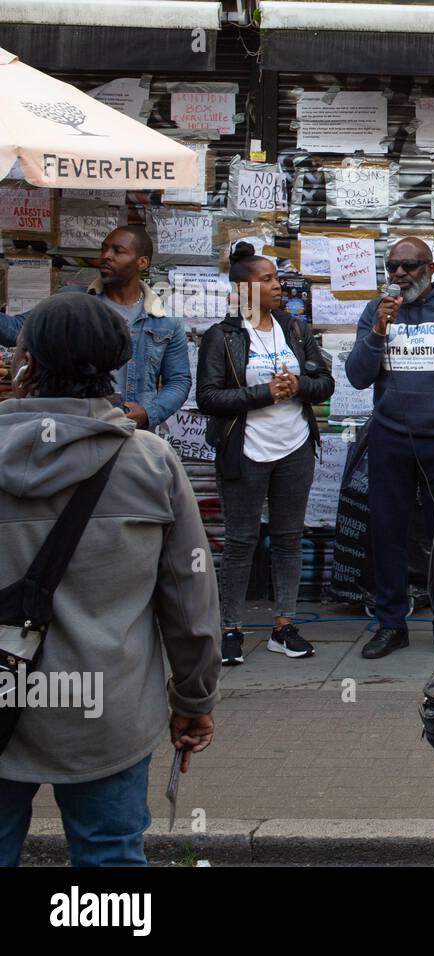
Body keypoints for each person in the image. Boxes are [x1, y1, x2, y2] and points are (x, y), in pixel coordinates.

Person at [0, 293, 220, 866]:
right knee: (109, 864)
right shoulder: (150, 463)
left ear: (26, 360)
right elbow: (189, 597)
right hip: (107, 712)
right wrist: (194, 699)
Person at [345, 237, 434, 659]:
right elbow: (357, 376)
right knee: (387, 531)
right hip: (390, 437)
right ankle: (392, 625)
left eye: (408, 266)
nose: (399, 275)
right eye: (392, 267)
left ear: (430, 267)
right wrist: (378, 331)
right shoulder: (376, 311)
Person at [196, 243, 335, 666]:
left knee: (289, 538)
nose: (278, 285)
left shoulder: (294, 329)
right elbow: (208, 397)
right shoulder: (222, 336)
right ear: (243, 289)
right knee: (241, 541)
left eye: (276, 278)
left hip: (295, 447)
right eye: (268, 279)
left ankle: (284, 625)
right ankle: (230, 628)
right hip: (246, 450)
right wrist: (264, 393)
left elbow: (325, 383)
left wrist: (299, 387)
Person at [0, 226, 190, 431]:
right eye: (104, 249)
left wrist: (149, 413)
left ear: (142, 262)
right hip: (69, 426)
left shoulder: (166, 320)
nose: (106, 256)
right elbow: (17, 330)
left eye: (118, 251)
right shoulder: (71, 302)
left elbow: (179, 380)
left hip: (129, 430)